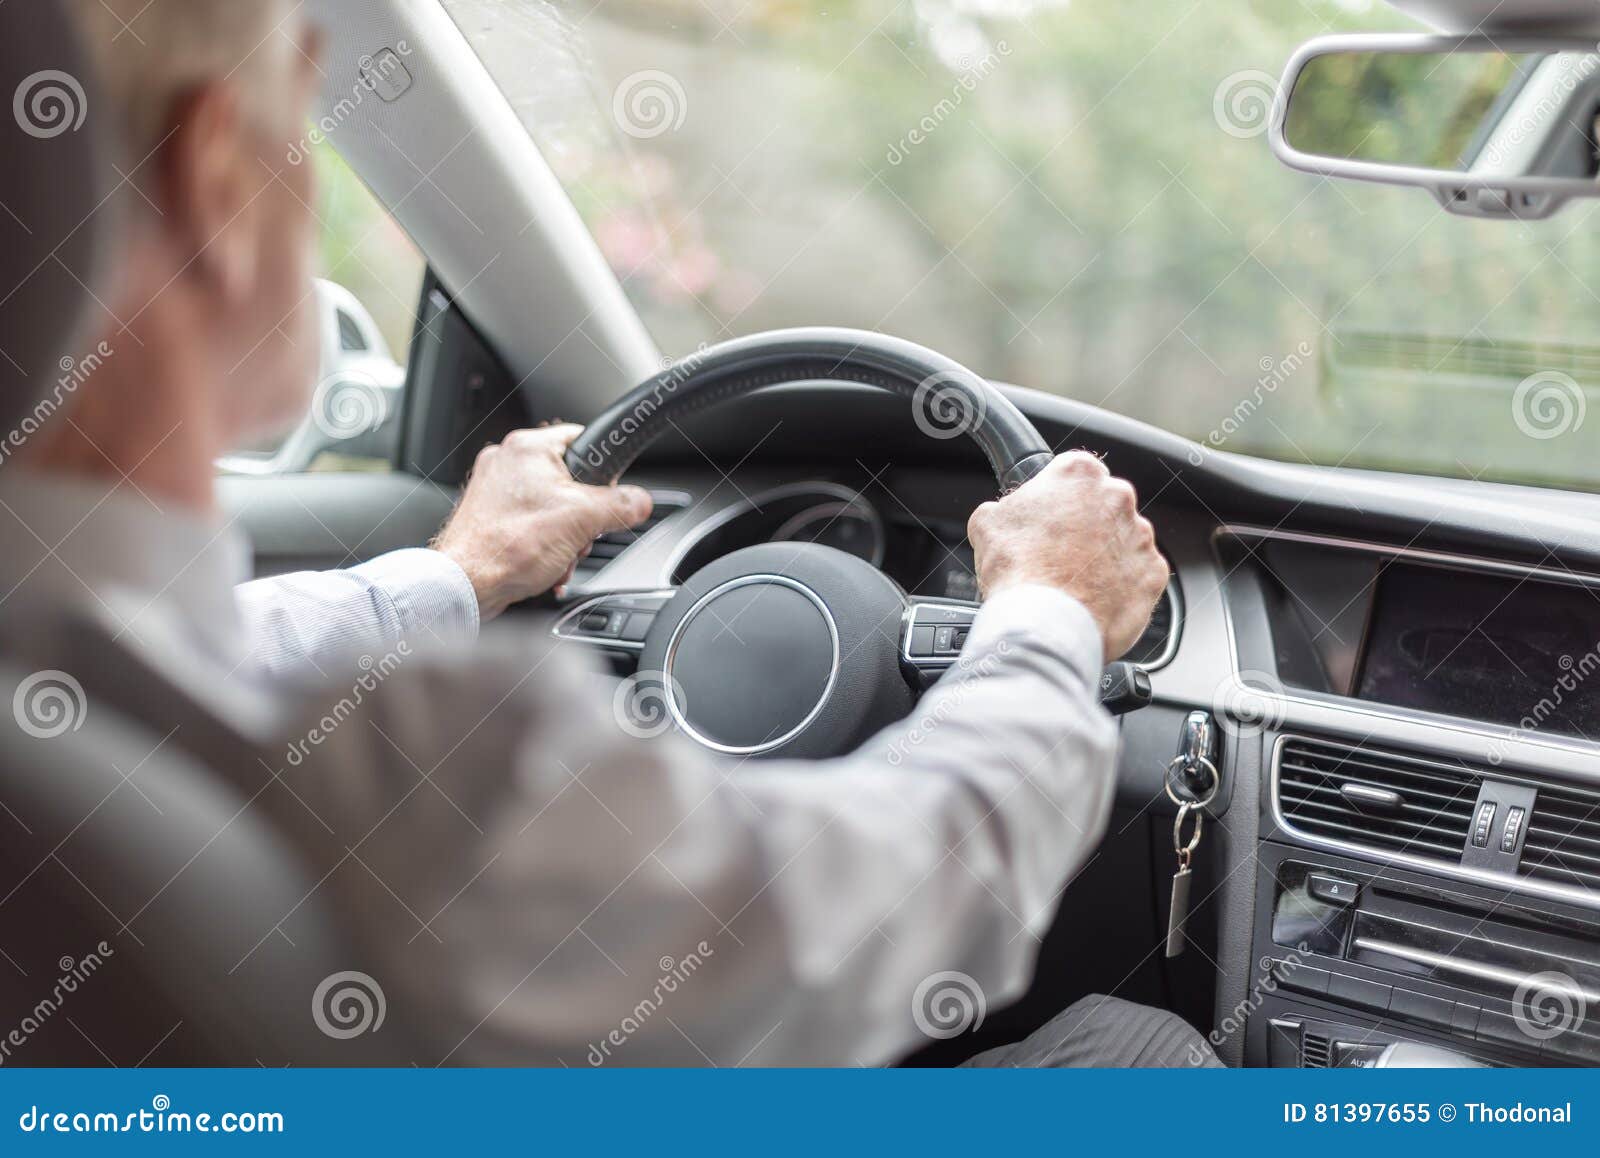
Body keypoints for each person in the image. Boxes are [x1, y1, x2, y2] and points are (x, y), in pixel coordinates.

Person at [0, 0, 1218, 1067]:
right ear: (221, 177)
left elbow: (206, 654)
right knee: (1138, 1050)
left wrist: (456, 572)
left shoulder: (78, 687)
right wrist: (1050, 610)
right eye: (296, 127)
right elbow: (888, 898)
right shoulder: (410, 783)